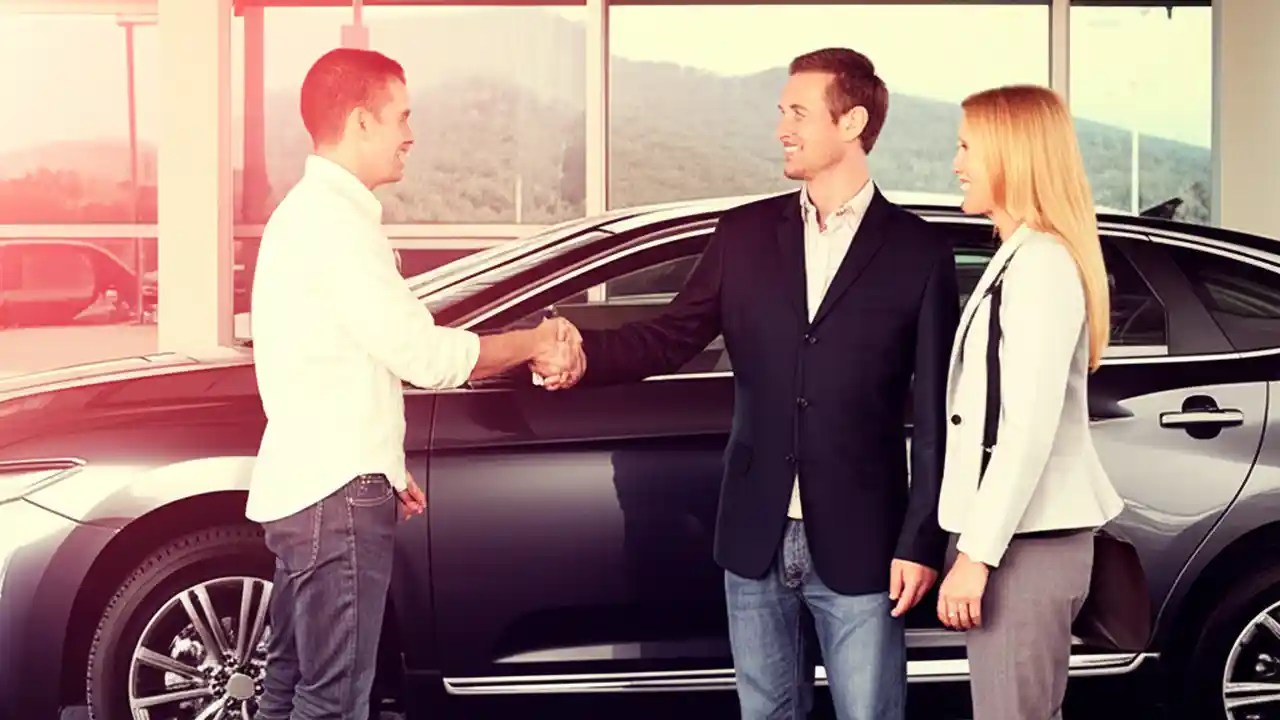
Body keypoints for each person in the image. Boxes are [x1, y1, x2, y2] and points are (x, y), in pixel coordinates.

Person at [540, 48, 960, 720]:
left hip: (866, 542)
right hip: (753, 535)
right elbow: (671, 334)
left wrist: (921, 541)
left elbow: (938, 415)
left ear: (852, 122)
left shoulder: (919, 251)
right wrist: (581, 356)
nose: (781, 128)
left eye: (798, 113)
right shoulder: (743, 234)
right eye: (781, 112)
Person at [246, 48, 574, 720]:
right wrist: (534, 342)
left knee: (287, 689)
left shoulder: (308, 215)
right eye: (401, 116)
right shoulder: (335, 226)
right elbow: (423, 355)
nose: (411, 134)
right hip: (334, 497)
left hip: (314, 484)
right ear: (361, 121)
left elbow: (342, 364)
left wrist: (387, 467)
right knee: (333, 702)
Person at [935, 84, 1126, 720]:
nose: (956, 164)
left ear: (1012, 156)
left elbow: (1025, 429)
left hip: (1023, 546)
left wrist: (976, 554)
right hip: (1018, 540)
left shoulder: (1040, 264)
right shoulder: (1021, 255)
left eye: (968, 147)